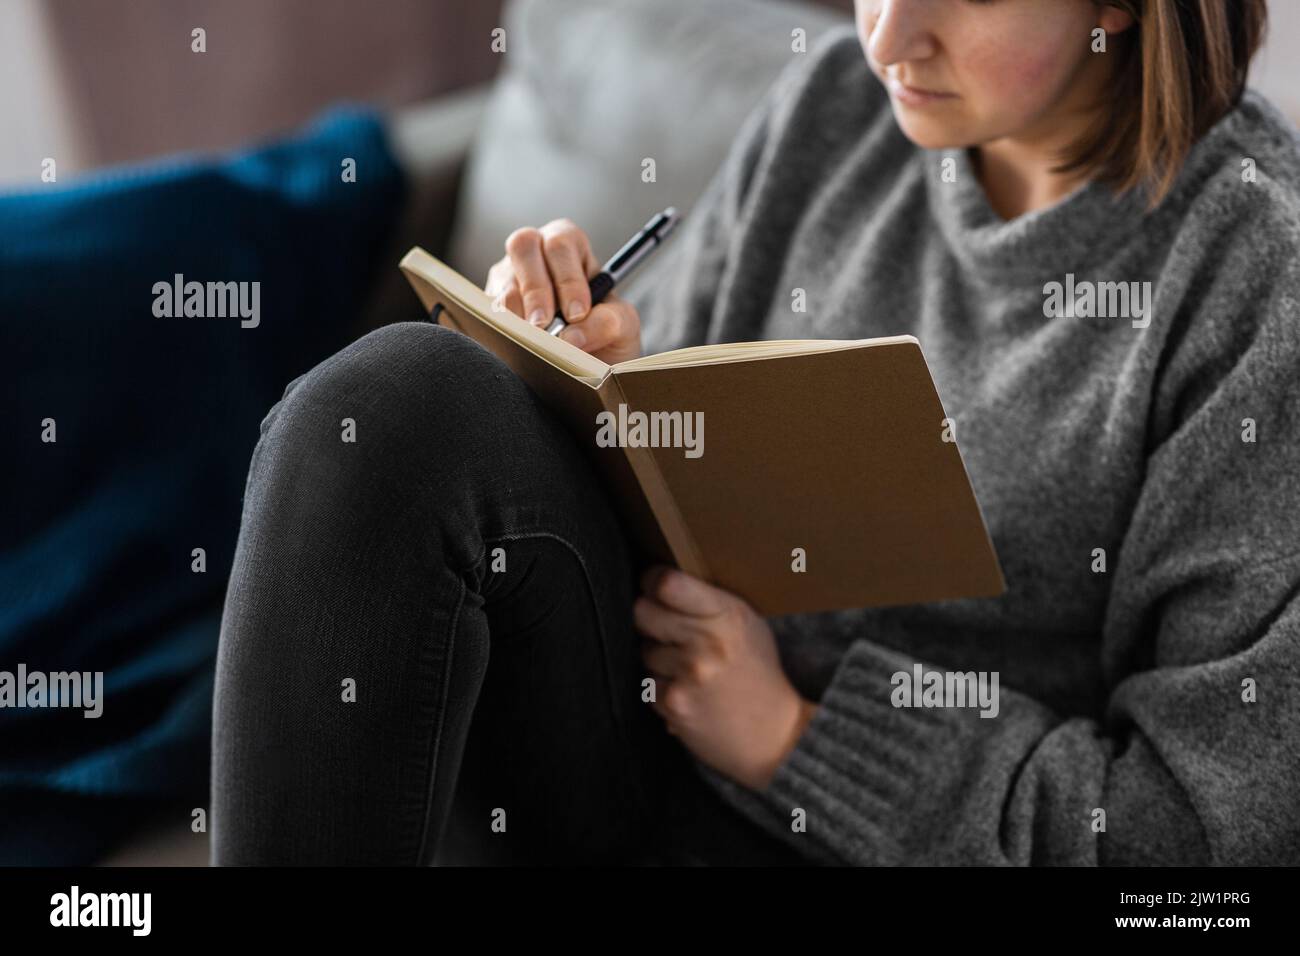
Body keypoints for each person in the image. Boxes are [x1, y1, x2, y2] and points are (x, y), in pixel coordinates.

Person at [212, 0, 1300, 865]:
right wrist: (573, 370)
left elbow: (1202, 840)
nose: (886, 34)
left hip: (856, 830)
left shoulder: (1255, 281)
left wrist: (797, 739)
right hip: (642, 737)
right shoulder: (835, 106)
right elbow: (652, 475)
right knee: (398, 402)